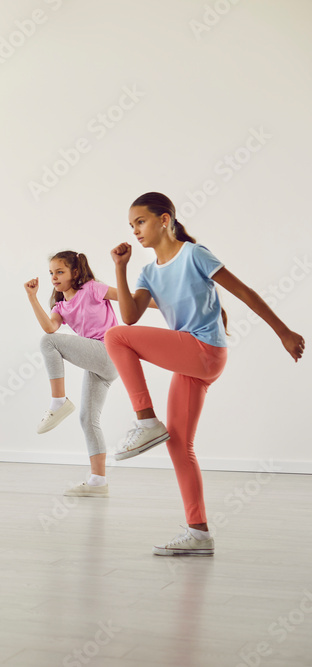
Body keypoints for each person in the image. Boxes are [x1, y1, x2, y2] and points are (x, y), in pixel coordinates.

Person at [105, 191, 305, 556]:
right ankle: (199, 533)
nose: (135, 230)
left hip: (206, 351)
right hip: (192, 361)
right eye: (131, 225)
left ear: (164, 219)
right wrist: (120, 267)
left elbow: (244, 292)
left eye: (141, 221)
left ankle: (146, 420)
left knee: (115, 338)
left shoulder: (194, 254)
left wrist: (283, 332)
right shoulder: (148, 271)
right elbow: (131, 316)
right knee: (179, 445)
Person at [24, 251, 123, 497]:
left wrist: (169, 305)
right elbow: (49, 327)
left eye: (60, 272)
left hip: (109, 351)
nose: (54, 277)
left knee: (49, 343)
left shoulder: (92, 289)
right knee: (88, 420)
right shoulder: (61, 307)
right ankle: (98, 482)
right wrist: (32, 297)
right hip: (100, 365)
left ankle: (58, 401)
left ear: (74, 272)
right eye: (51, 273)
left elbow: (128, 298)